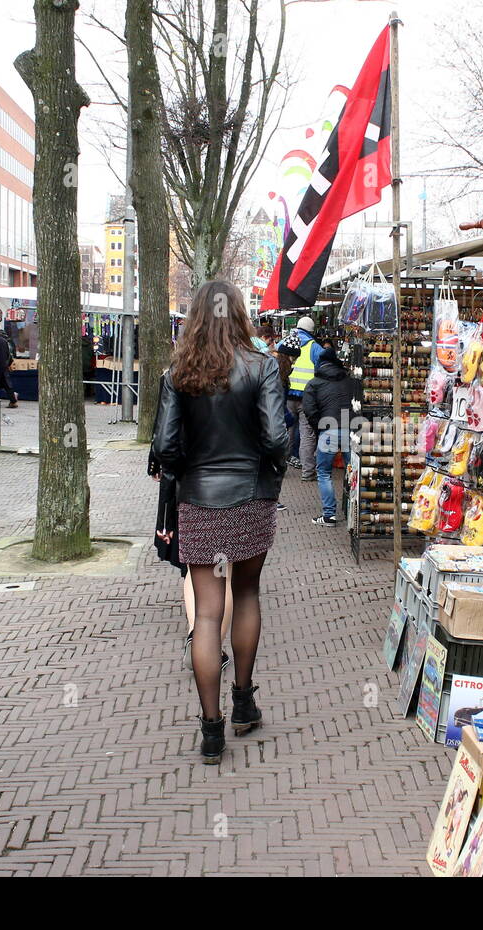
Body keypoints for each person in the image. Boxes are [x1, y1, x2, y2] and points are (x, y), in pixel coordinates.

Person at [154, 280, 288, 765]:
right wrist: (273, 466)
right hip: (251, 495)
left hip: (200, 500)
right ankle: (244, 702)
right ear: (238, 316)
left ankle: (211, 731)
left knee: (207, 615)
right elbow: (276, 438)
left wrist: (191, 472)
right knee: (248, 594)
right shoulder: (262, 367)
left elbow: (166, 448)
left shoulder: (178, 373)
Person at [302, 345, 360, 526]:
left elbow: (309, 410)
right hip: (350, 429)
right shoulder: (349, 380)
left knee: (324, 472)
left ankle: (329, 515)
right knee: (353, 471)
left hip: (329, 429)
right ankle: (357, 513)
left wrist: (320, 427)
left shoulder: (314, 383)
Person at [277, 316, 320, 480]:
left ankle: (281, 466)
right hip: (307, 398)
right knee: (306, 434)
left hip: (287, 395)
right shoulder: (314, 347)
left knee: (286, 431)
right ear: (311, 331)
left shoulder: (283, 342)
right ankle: (308, 472)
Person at [0, 324, 18, 408]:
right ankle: (13, 400)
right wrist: (7, 363)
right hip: (3, 365)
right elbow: (8, 353)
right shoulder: (4, 340)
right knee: (7, 385)